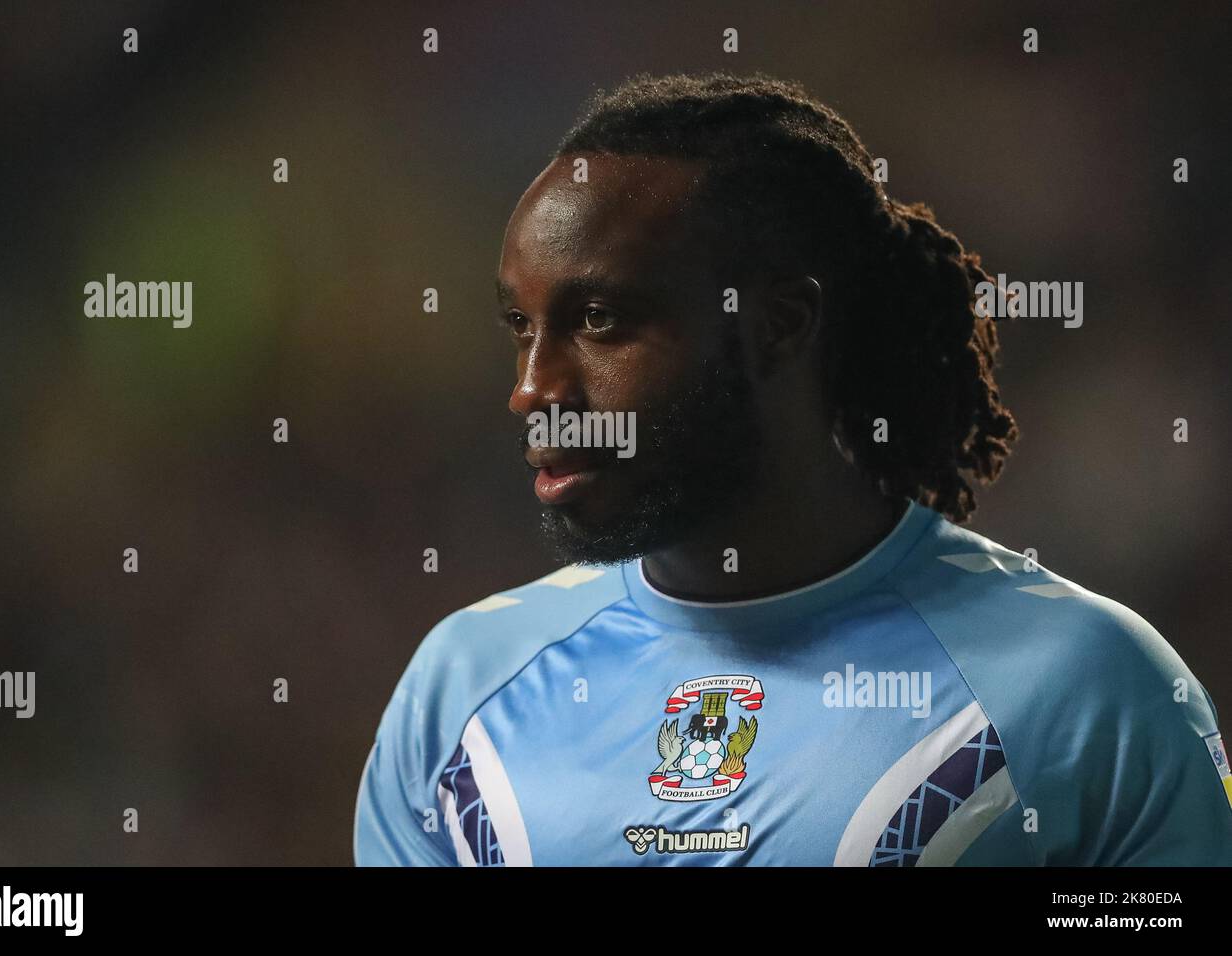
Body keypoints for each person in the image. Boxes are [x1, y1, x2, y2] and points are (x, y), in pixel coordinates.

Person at [354, 71, 1232, 866]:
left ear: (776, 325)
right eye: (521, 328)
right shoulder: (459, 699)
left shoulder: (1087, 689)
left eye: (600, 320)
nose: (533, 387)